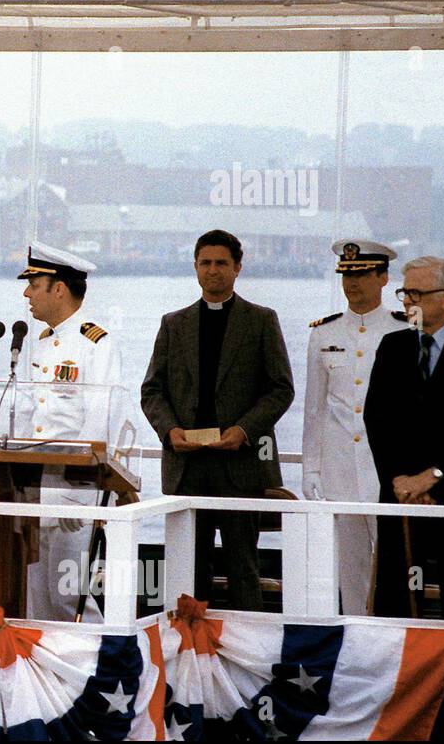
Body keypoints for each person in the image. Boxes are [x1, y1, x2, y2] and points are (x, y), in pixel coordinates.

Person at [140, 229, 294, 611]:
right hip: (187, 466)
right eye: (205, 263)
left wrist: (244, 430)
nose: (213, 271)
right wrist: (169, 430)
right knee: (189, 569)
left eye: (221, 263)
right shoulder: (173, 324)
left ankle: (251, 660)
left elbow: (280, 389)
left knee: (244, 567)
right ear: (195, 267)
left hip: (240, 468)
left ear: (238, 268)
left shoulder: (261, 320)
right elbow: (152, 391)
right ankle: (190, 656)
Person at [301, 239, 405, 615]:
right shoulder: (324, 333)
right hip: (340, 469)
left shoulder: (404, 331)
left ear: (383, 278)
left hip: (387, 471)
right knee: (349, 569)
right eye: (347, 275)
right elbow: (315, 408)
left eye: (361, 274)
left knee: (395, 564)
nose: (352, 284)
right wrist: (311, 467)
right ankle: (356, 640)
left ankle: (392, 642)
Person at [19, 242, 122, 621]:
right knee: (34, 597)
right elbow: (29, 417)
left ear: (58, 288)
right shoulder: (41, 346)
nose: (26, 293)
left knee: (70, 598)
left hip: (74, 491)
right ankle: (46, 674)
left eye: (34, 284)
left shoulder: (96, 344)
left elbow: (101, 419)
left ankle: (94, 672)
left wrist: (83, 488)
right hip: (35, 489)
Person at [365, 256, 444, 620]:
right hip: (401, 498)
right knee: (397, 599)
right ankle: (399, 676)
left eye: (418, 294)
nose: (408, 302)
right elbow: (377, 421)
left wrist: (434, 476)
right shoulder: (393, 348)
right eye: (405, 293)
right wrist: (400, 481)